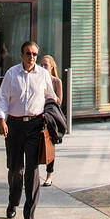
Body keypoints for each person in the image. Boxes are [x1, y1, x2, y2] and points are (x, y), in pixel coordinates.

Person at [0, 40, 58, 219]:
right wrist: (1, 119)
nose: (32, 57)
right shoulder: (11, 74)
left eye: (34, 54)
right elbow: (3, 98)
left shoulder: (43, 75)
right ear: (21, 55)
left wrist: (49, 117)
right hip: (14, 126)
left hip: (35, 126)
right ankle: (13, 201)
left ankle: (29, 215)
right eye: (28, 54)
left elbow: (51, 97)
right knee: (16, 170)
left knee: (32, 171)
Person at [40, 55, 63, 185]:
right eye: (41, 65)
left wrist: (50, 95)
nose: (43, 67)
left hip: (51, 117)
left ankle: (49, 175)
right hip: (38, 115)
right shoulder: (37, 79)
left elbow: (59, 101)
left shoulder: (56, 82)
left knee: (50, 146)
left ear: (52, 66)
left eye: (46, 65)